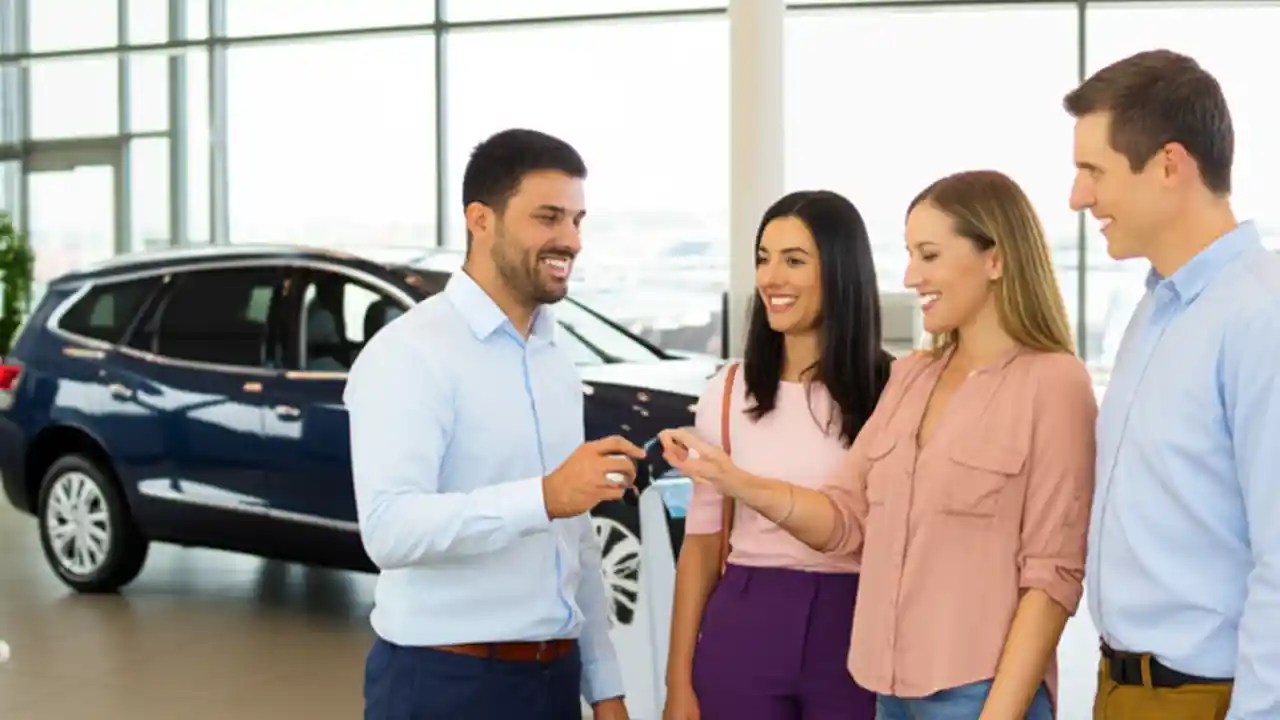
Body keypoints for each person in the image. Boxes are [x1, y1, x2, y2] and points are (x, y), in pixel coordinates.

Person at [661, 170, 1097, 720]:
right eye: (911, 254)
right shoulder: (913, 375)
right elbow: (846, 520)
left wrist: (999, 713)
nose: (912, 276)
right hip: (887, 695)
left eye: (929, 255)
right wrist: (736, 482)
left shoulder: (1055, 383)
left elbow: (1052, 574)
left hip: (977, 694)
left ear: (996, 258)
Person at [344, 128, 642, 720]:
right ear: (481, 220)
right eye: (548, 217)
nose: (570, 240)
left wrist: (605, 685)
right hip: (443, 683)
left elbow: (573, 537)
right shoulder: (409, 353)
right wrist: (544, 497)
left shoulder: (553, 359)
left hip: (554, 681)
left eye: (579, 220)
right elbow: (389, 529)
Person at [1064, 49, 1280, 720]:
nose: (1078, 197)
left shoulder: (1260, 314)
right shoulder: (1156, 308)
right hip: (1123, 687)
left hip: (1207, 697)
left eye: (1092, 171)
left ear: (1168, 166)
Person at [663, 190, 892, 720]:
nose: (771, 278)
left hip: (857, 621)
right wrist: (679, 684)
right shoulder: (727, 391)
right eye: (764, 259)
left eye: (794, 261)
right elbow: (700, 546)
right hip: (745, 619)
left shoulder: (895, 389)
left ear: (839, 271)